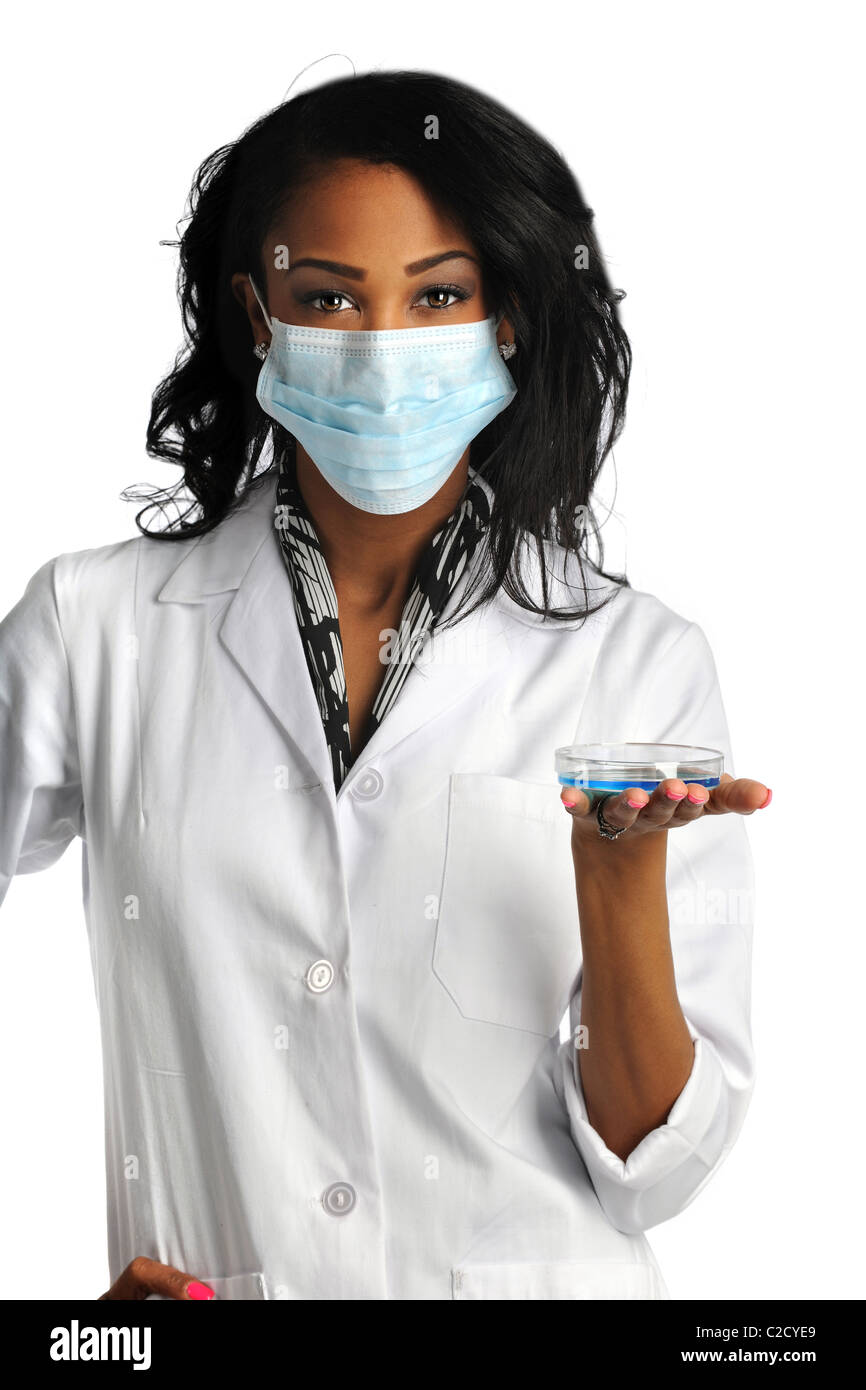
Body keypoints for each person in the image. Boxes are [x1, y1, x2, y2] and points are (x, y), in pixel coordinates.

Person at [0, 70, 769, 1301]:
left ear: (504, 316)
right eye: (329, 300)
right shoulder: (95, 630)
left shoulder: (635, 659)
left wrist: (620, 883)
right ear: (259, 313)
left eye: (438, 295)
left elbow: (650, 1173)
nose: (384, 352)